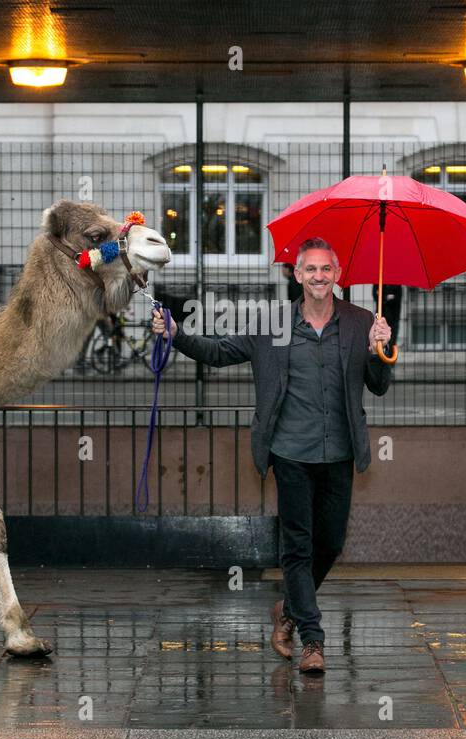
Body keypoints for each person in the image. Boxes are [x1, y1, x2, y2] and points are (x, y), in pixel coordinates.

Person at [152, 238, 393, 673]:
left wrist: (382, 349)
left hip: (339, 452)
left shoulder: (360, 322)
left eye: (326, 269)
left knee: (330, 543)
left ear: (337, 275)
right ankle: (313, 641)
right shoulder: (272, 324)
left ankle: (287, 609)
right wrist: (176, 335)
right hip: (290, 453)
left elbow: (377, 386)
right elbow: (220, 352)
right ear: (297, 275)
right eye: (310, 269)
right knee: (297, 546)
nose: (319, 276)